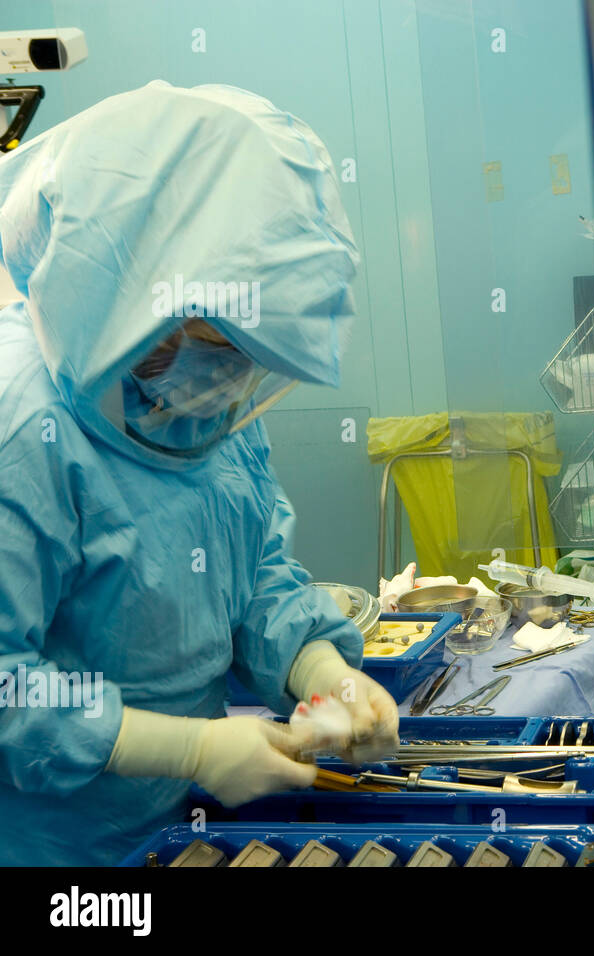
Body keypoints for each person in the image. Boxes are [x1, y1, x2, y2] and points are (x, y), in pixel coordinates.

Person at [0, 81, 398, 866]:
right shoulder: (27, 432)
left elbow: (253, 576)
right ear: (122, 291)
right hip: (55, 854)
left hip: (178, 831)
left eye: (248, 356)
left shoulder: (202, 407)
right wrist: (182, 748)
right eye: (215, 342)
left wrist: (319, 668)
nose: (228, 380)